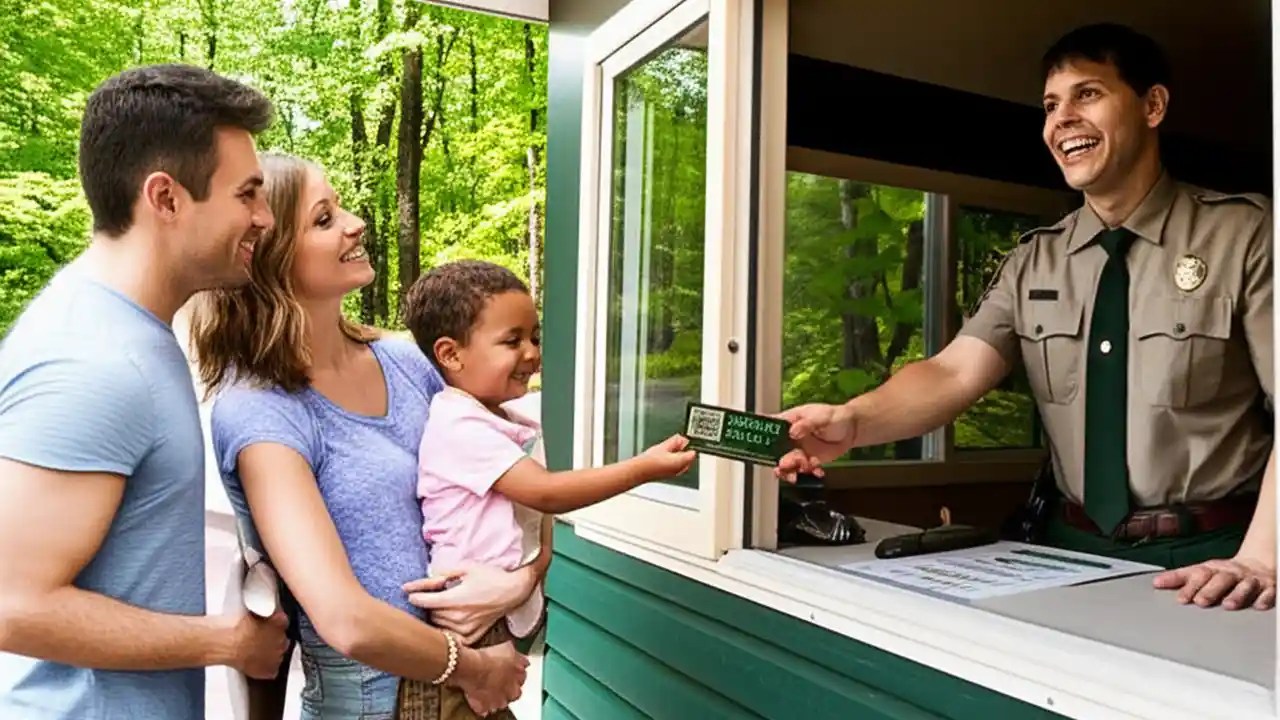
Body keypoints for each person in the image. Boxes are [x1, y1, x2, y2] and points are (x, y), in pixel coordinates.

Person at [774, 23, 1276, 611]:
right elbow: (954, 372)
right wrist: (854, 421)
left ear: (1153, 105)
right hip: (1069, 554)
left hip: (1218, 557)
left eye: (1087, 94)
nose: (1061, 119)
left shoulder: (1245, 235)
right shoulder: (1034, 258)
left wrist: (1262, 557)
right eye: (1050, 105)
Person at [188, 153, 535, 719]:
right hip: (382, 700)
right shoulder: (261, 413)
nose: (355, 223)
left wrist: (519, 581)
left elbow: (523, 485)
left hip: (475, 683)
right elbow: (343, 618)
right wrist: (476, 668)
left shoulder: (407, 362)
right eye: (324, 219)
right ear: (271, 257)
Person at [0, 64, 291, 719]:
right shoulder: (91, 360)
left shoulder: (132, 333)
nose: (265, 218)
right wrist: (229, 643)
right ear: (165, 198)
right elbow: (14, 606)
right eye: (247, 194)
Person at [395, 260, 696, 718]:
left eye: (534, 336)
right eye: (511, 341)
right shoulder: (459, 425)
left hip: (493, 616)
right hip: (467, 628)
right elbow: (548, 494)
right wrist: (644, 468)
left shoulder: (505, 416)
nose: (532, 353)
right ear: (451, 355)